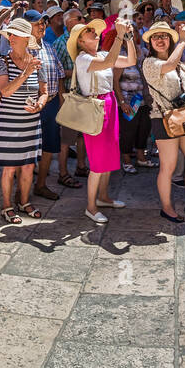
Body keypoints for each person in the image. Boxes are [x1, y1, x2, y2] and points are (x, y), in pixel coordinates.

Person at [71, 12, 134, 222]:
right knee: (98, 160)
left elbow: (132, 60)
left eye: (94, 31)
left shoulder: (102, 54)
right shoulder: (82, 58)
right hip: (94, 106)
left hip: (109, 103)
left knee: (108, 155)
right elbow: (109, 62)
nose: (94, 33)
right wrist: (119, 35)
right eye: (88, 31)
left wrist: (129, 37)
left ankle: (104, 197)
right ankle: (90, 206)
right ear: (80, 41)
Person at [141, 23, 185, 222]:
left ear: (170, 40)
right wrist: (183, 41)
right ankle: (167, 207)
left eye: (165, 36)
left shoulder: (176, 61)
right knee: (168, 167)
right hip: (162, 119)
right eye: (156, 37)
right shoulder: (149, 62)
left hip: (182, 117)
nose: (160, 40)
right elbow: (168, 65)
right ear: (150, 43)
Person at [0, 17, 50, 221]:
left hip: (31, 122)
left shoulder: (36, 60)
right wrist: (25, 73)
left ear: (26, 39)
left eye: (15, 35)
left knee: (28, 165)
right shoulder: (2, 61)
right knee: (9, 167)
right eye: (10, 34)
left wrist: (40, 105)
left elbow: (44, 91)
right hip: (9, 122)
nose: (11, 38)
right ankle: (7, 205)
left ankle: (24, 202)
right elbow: (5, 91)